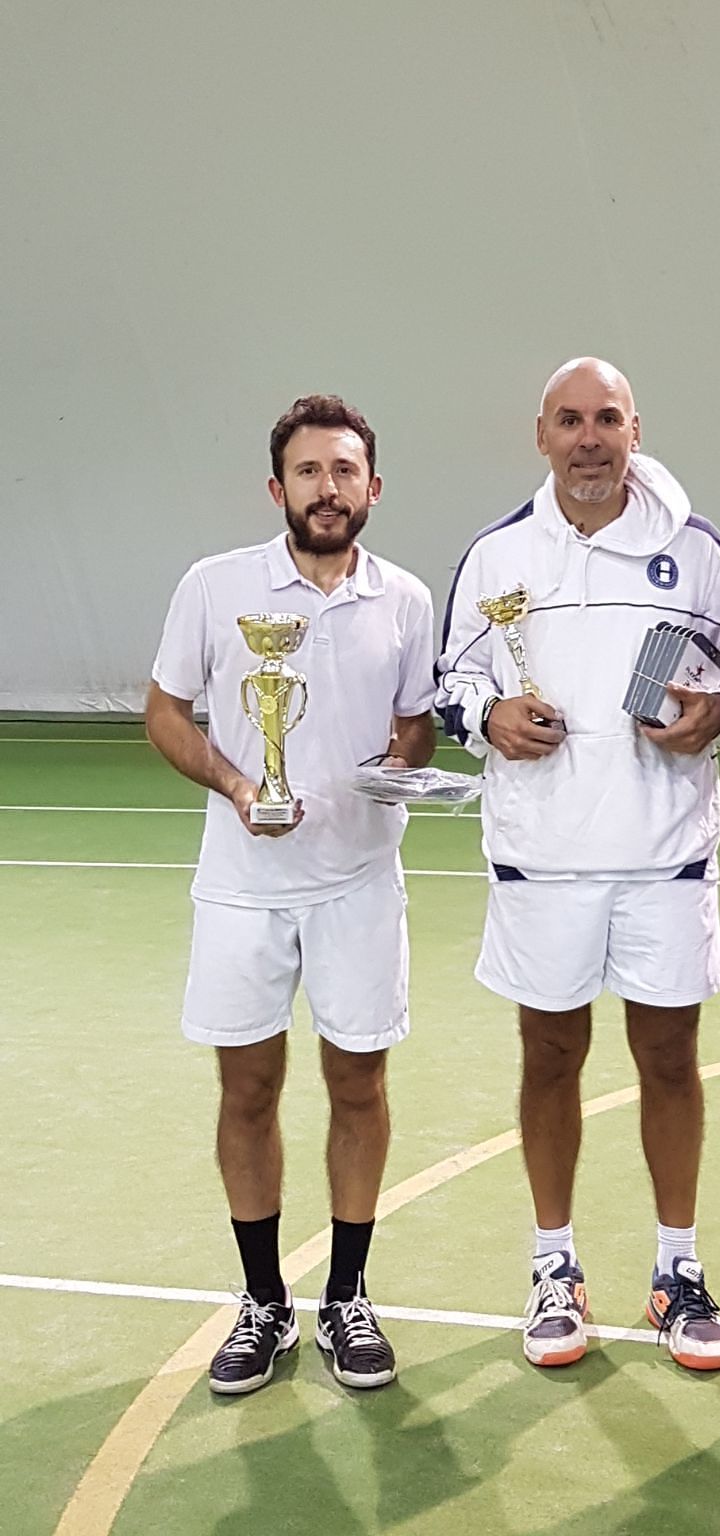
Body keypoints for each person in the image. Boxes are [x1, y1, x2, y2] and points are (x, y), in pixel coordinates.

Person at [437, 357, 720, 1371]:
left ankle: (678, 1270)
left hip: (663, 859)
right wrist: (489, 714)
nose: (590, 437)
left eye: (607, 417)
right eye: (571, 420)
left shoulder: (697, 554)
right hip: (543, 862)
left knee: (667, 1061)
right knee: (550, 1057)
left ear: (636, 428)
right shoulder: (495, 557)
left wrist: (714, 716)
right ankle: (553, 1266)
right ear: (542, 436)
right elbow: (450, 690)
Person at [146, 394, 436, 1394]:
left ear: (373, 487)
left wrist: (400, 765)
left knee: (359, 1086)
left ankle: (346, 1296)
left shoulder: (405, 597)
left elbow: (416, 728)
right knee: (249, 1090)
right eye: (308, 472)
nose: (327, 488)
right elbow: (165, 709)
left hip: (359, 883)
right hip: (242, 889)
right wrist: (237, 784)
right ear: (279, 488)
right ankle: (262, 1301)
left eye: (344, 471)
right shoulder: (214, 586)